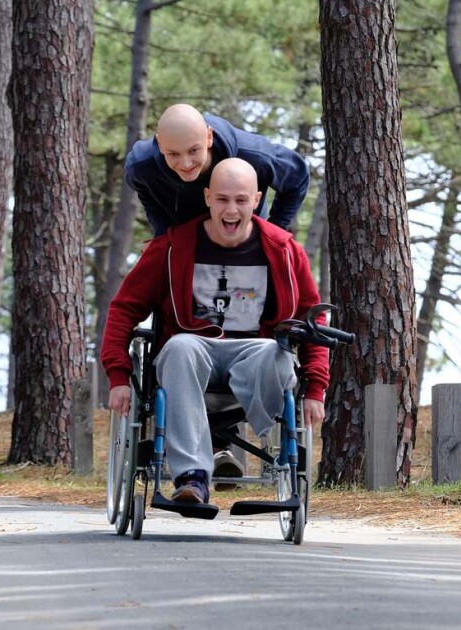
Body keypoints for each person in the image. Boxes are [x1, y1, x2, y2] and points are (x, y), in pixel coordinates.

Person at [101, 159, 329, 505]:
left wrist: (315, 387)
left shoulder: (284, 250)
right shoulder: (173, 248)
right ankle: (193, 477)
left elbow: (312, 321)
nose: (231, 209)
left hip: (255, 353)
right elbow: (124, 309)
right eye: (222, 199)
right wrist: (118, 375)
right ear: (207, 197)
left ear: (256, 200)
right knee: (180, 347)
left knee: (277, 352)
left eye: (240, 200)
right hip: (194, 352)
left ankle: (258, 446)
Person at [125, 104, 310, 236]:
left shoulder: (254, 154)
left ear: (209, 137)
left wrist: (273, 232)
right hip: (187, 246)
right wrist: (162, 234)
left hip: (245, 243)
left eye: (194, 150)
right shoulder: (142, 165)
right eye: (173, 154)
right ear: (160, 144)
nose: (186, 163)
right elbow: (143, 188)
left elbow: (298, 177)